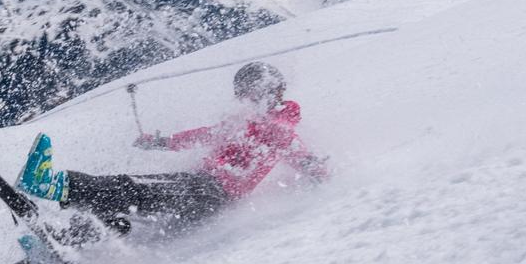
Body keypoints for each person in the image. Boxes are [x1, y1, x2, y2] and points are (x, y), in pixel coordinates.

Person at [16, 61, 328, 239]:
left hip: (214, 193)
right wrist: (162, 142)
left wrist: (319, 172)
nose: (244, 98)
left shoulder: (279, 124)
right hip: (202, 187)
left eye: (251, 91)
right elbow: (205, 135)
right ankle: (85, 238)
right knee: (137, 205)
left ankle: (53, 184)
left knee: (132, 189)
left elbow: (294, 149)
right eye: (242, 93)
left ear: (271, 91)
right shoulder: (243, 119)